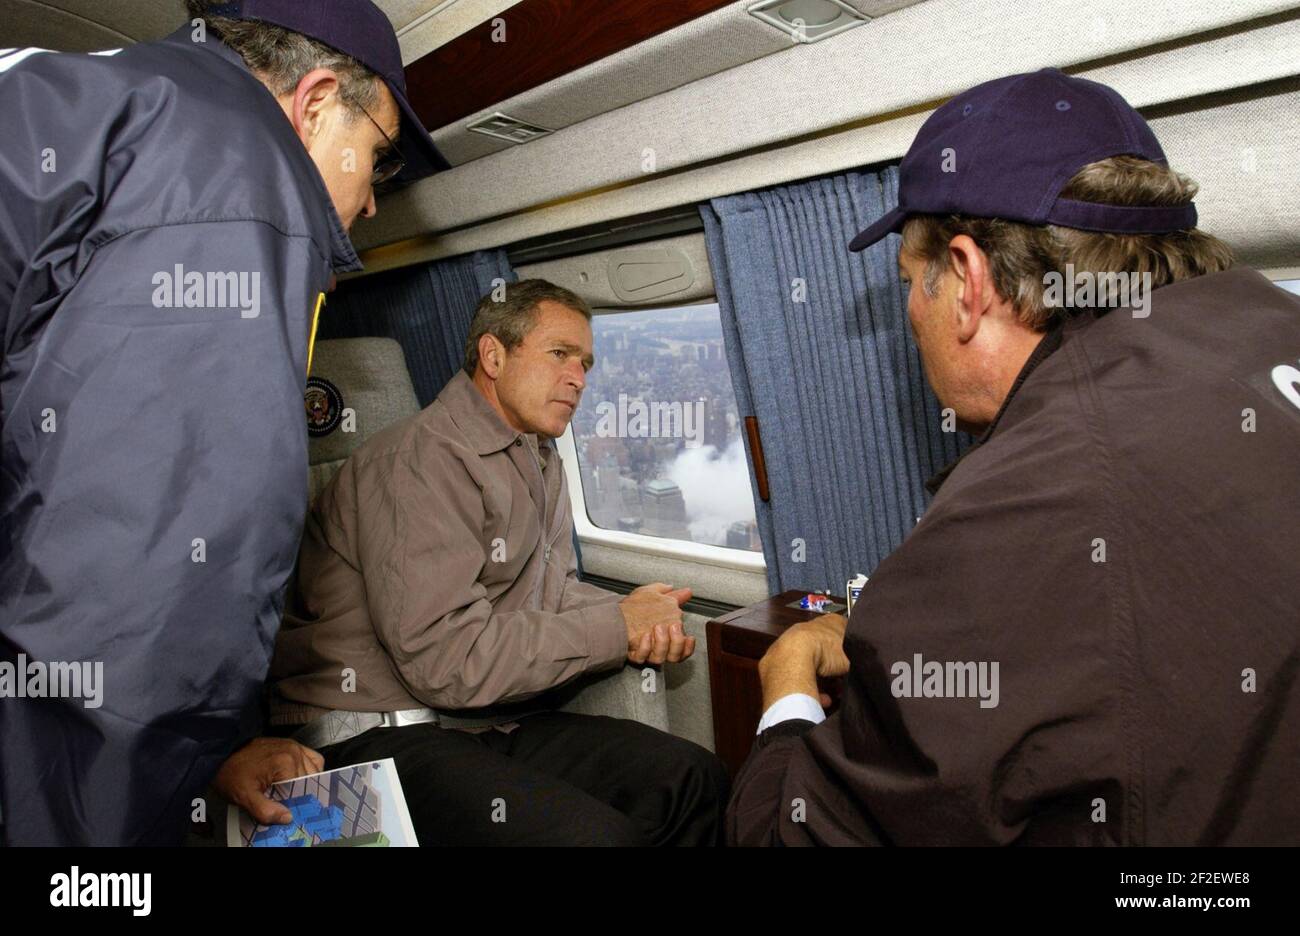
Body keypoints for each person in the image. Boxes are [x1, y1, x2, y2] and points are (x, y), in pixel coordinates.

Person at [729, 68, 1300, 845]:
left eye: (908, 281)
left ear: (966, 279)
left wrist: (787, 690)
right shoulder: (1272, 327)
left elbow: (790, 836)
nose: (907, 313)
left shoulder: (1030, 499)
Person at [0, 0, 449, 845]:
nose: (374, 203)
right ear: (316, 104)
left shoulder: (104, 101)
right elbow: (144, 594)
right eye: (380, 160)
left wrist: (211, 753)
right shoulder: (239, 182)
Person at [220, 280, 730, 846]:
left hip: (480, 719)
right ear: (493, 355)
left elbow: (551, 591)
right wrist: (616, 628)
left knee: (692, 778)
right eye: (560, 354)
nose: (579, 378)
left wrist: (637, 615)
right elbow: (445, 660)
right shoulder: (418, 461)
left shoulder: (538, 457)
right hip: (370, 731)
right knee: (592, 839)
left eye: (585, 362)